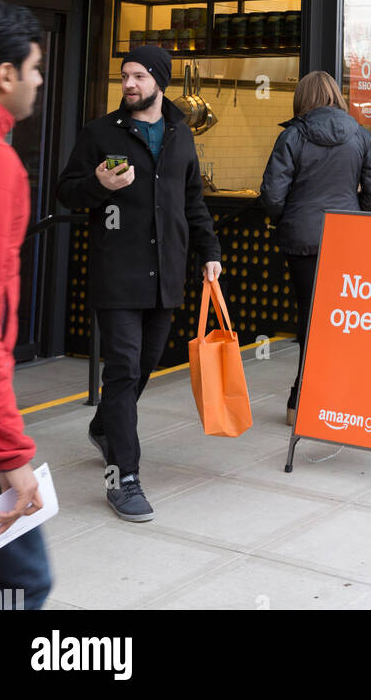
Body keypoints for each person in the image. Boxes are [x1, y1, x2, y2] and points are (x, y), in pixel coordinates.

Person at [58, 45, 222, 522]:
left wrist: (210, 252)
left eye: (138, 76)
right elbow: (66, 191)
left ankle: (106, 424)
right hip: (118, 272)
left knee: (147, 363)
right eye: (124, 76)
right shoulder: (99, 133)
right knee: (124, 368)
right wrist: (99, 187)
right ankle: (124, 479)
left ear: (160, 81)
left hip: (166, 272)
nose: (128, 84)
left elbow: (194, 202)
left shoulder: (180, 135)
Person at [260, 70, 371, 420]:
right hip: (346, 237)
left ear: (303, 98)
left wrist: (290, 216)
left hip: (302, 241)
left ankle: (300, 400)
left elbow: (271, 195)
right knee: (342, 317)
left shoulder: (292, 137)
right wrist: (353, 212)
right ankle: (339, 398)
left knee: (309, 315)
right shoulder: (360, 134)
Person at [0, 0, 51, 609]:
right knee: (20, 586)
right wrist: (8, 451)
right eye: (33, 70)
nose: (37, 83)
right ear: (5, 75)